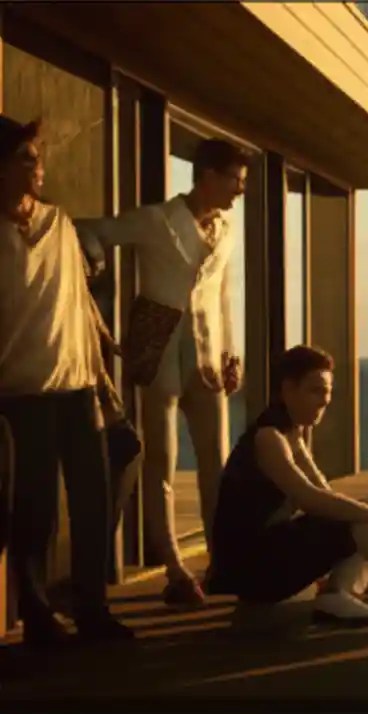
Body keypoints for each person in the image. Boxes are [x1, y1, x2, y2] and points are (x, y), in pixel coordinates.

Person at [76, 138, 249, 608]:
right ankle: (174, 568)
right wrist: (93, 267)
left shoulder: (228, 229)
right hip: (159, 349)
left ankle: (222, 561)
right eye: (235, 180)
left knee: (217, 462)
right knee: (163, 462)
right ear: (208, 175)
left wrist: (233, 352)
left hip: (207, 357)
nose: (240, 191)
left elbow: (224, 293)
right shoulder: (155, 220)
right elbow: (90, 230)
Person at [204, 345, 368, 625]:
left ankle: (343, 592)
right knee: (362, 518)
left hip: (274, 554)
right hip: (254, 572)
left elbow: (326, 494)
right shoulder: (268, 438)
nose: (325, 400)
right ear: (288, 389)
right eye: (316, 390)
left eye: (328, 391)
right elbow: (309, 498)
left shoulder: (292, 434)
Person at [0, 115, 133, 646]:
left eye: (40, 158)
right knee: (33, 509)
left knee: (94, 498)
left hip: (76, 385)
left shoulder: (59, 225)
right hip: (19, 391)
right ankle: (35, 614)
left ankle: (91, 606)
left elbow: (78, 302)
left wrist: (103, 372)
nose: (40, 168)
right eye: (28, 158)